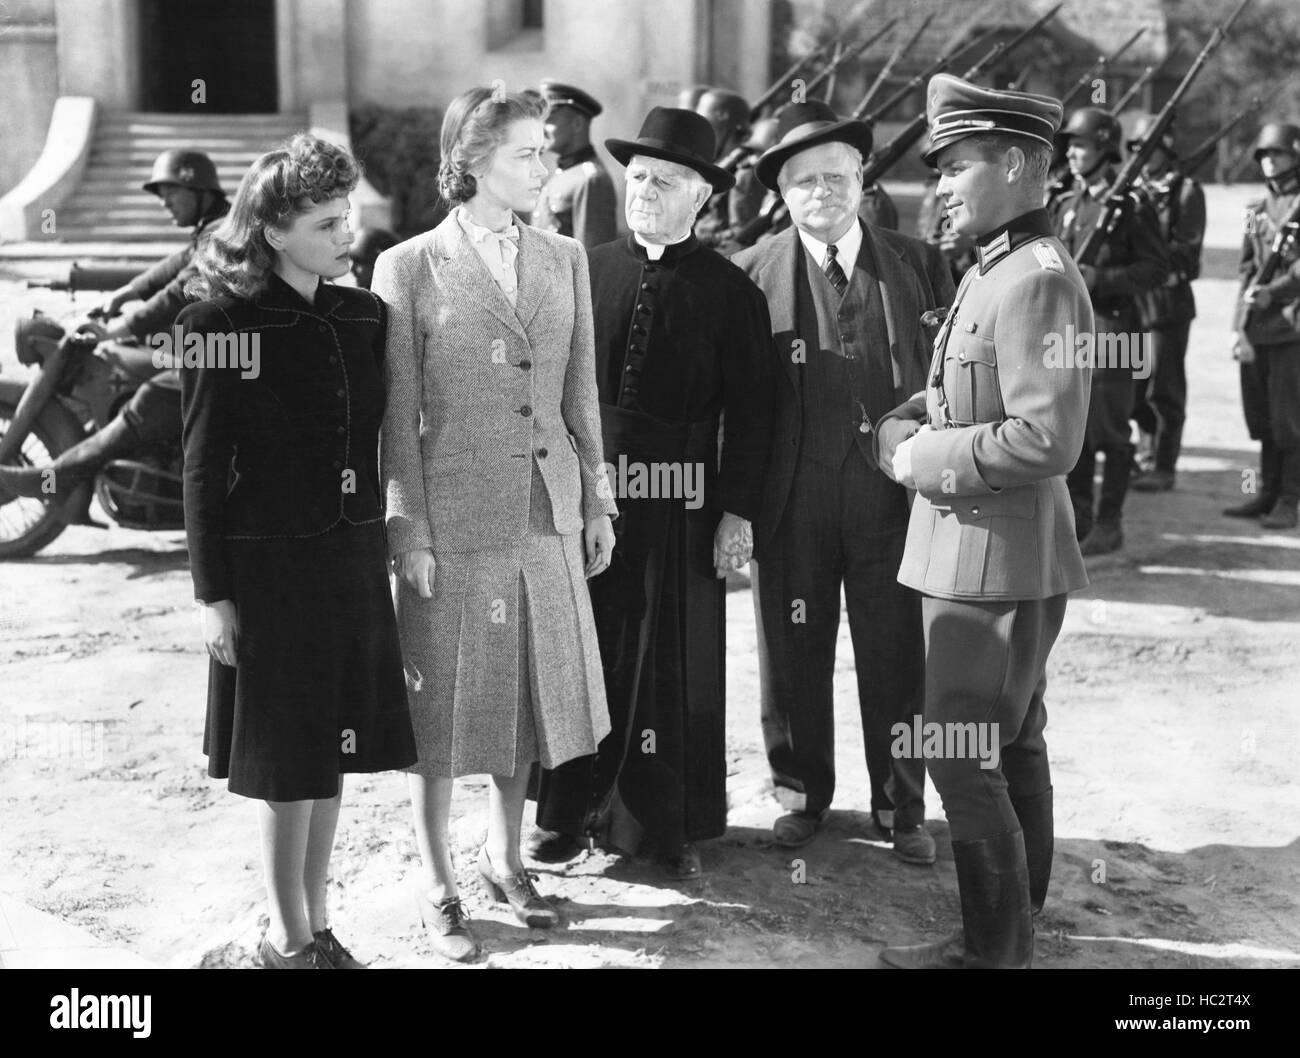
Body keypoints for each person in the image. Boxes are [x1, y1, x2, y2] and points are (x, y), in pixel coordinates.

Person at [374, 86, 618, 961]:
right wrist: (408, 532)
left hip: (545, 513)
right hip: (454, 519)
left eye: (547, 150)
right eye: (527, 152)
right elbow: (397, 419)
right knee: (441, 707)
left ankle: (504, 856)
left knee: (527, 697)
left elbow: (579, 393)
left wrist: (596, 499)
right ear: (471, 163)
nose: (546, 166)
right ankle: (439, 879)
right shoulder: (407, 266)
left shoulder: (565, 258)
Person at [178, 134, 417, 969]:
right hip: (268, 572)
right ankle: (287, 942)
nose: (343, 233)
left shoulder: (364, 315)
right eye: (324, 222)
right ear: (273, 231)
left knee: (333, 746)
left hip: (350, 563)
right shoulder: (216, 326)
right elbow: (202, 467)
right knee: (286, 760)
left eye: (345, 216)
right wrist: (214, 594)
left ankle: (316, 927)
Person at [875, 74, 1094, 968]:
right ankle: (1014, 930)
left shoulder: (1037, 281)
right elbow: (971, 395)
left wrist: (924, 458)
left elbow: (1049, 436)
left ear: (1016, 163)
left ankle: (991, 954)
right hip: (983, 551)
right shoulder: (996, 268)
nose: (942, 186)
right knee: (1014, 741)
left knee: (963, 758)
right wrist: (913, 420)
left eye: (957, 165)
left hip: (991, 563)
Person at [533, 107, 777, 879]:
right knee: (581, 651)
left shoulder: (732, 293)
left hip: (685, 502)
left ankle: (660, 823)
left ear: (702, 198)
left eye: (665, 181)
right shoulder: (584, 267)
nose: (644, 191)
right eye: (637, 176)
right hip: (589, 493)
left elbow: (757, 413)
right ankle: (563, 814)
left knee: (669, 658)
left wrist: (737, 511)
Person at [731, 100, 953, 863]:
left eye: (835, 176)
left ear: (862, 180)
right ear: (781, 195)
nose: (821, 191)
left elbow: (949, 381)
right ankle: (799, 793)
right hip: (791, 500)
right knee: (791, 651)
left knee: (898, 654)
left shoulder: (920, 264)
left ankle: (902, 807)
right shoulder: (750, 274)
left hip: (893, 501)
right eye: (802, 182)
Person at [0, 150, 228, 505]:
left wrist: (117, 329)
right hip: (223, 347)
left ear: (198, 188)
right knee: (147, 360)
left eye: (170, 192)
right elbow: (174, 267)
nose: (164, 203)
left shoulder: (222, 235)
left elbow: (181, 290)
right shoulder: (214, 228)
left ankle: (59, 479)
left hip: (238, 354)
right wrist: (124, 294)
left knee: (154, 393)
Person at [1048, 107, 1169, 555]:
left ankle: (1110, 524)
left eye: (1081, 145)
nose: (1073, 154)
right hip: (1067, 331)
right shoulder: (1065, 203)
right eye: (1071, 146)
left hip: (1116, 331)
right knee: (1072, 431)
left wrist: (1104, 279)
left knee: (1111, 432)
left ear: (1104, 148)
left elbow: (1157, 268)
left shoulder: (1131, 207)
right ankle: (1080, 521)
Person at [1225, 121, 1300, 530]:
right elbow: (1248, 269)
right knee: (1264, 417)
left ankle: (1290, 499)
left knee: (1290, 419)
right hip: (1258, 325)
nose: (1270, 161)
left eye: (1279, 154)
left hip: (1292, 327)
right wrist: (1239, 327)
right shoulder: (1255, 211)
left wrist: (1279, 289)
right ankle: (1267, 492)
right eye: (1265, 155)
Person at [1128, 115, 1206, 493]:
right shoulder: (1133, 190)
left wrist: (1143, 248)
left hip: (1166, 302)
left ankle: (1163, 463)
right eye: (1139, 149)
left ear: (1166, 149)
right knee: (1132, 385)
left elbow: (1186, 252)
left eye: (1151, 148)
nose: (1144, 156)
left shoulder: (1187, 192)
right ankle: (1143, 455)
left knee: (1164, 388)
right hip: (1134, 302)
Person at [531, 80, 618, 249]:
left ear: (577, 123)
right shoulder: (563, 173)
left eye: (549, 120)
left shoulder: (591, 180)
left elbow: (591, 260)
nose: (542, 128)